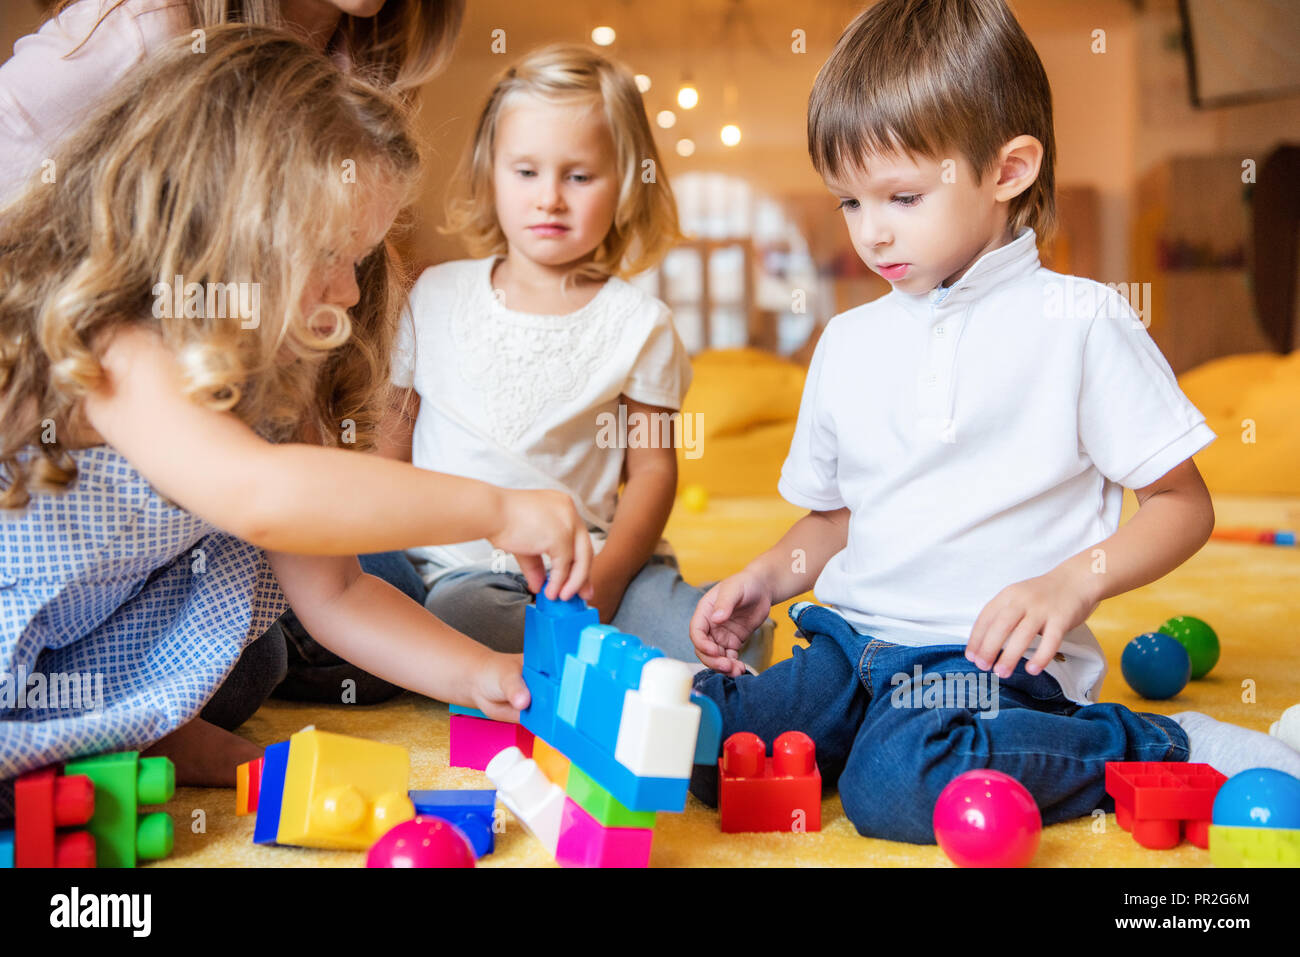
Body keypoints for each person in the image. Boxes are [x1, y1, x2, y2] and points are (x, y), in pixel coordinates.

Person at [686, 0, 1300, 844]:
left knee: (895, 783)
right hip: (848, 642)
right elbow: (837, 517)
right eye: (850, 204)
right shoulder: (847, 340)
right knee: (708, 738)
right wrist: (765, 576)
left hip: (982, 664)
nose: (872, 232)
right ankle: (859, 727)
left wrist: (1071, 582)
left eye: (901, 195)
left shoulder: (1081, 322)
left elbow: (1182, 505)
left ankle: (1154, 743)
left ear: (1008, 170)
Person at [0, 26, 591, 804]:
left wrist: (482, 672)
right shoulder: (117, 343)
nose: (350, 292)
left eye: (361, 257)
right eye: (329, 253)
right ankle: (109, 735)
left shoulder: (266, 384)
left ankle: (123, 730)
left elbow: (337, 592)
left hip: (72, 635)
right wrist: (496, 507)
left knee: (261, 630)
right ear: (230, 225)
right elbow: (264, 496)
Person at [383, 44, 772, 666]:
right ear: (490, 173)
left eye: (580, 176)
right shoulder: (433, 295)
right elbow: (389, 445)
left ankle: (631, 655)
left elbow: (651, 471)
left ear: (624, 184)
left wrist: (610, 580)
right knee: (463, 621)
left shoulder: (640, 323)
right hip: (469, 571)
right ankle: (611, 666)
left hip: (596, 558)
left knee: (718, 636)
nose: (550, 199)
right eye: (526, 172)